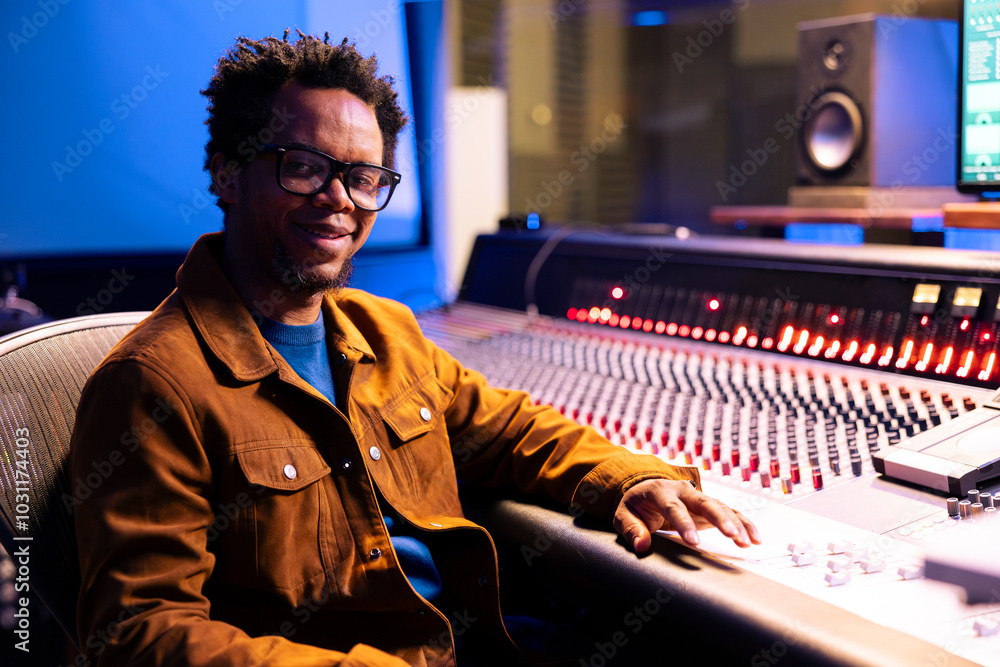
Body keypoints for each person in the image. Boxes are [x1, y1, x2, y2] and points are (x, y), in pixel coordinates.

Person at [70, 31, 760, 667]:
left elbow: (514, 430)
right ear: (226, 173)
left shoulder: (385, 330)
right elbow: (140, 633)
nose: (338, 199)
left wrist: (627, 477)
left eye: (364, 177)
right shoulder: (152, 384)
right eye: (304, 166)